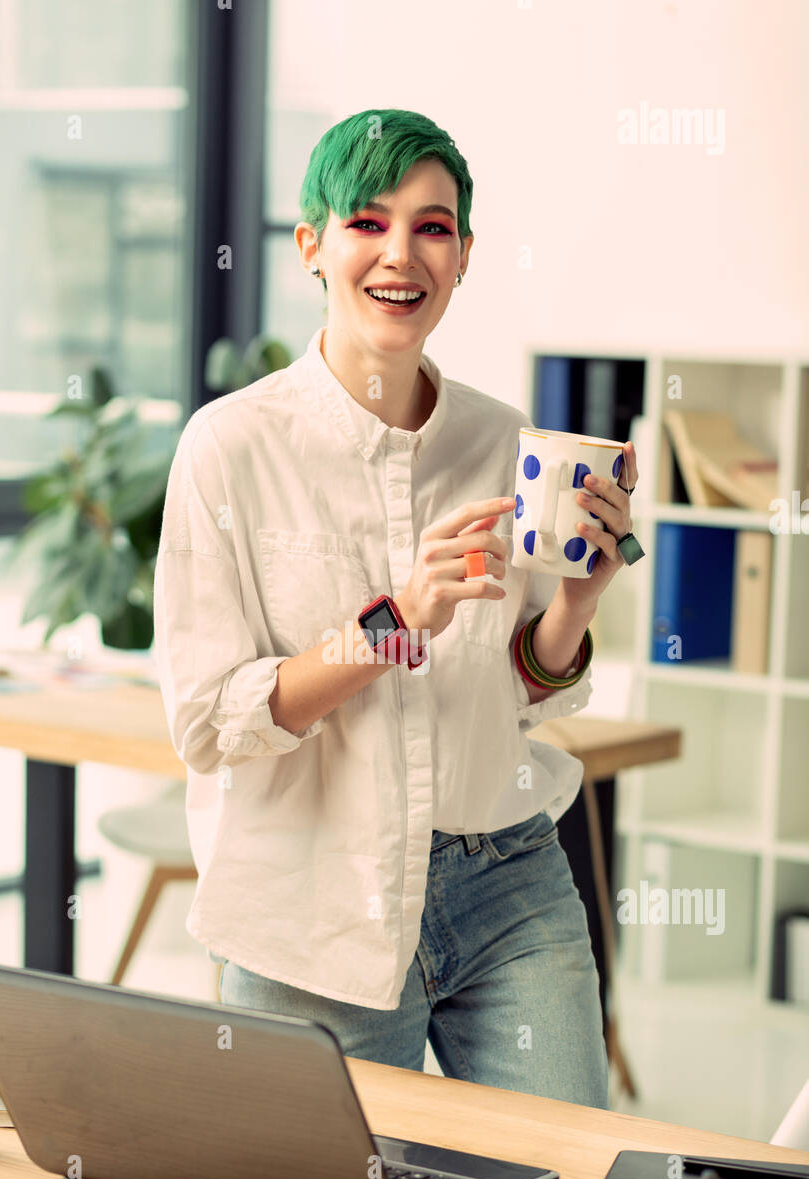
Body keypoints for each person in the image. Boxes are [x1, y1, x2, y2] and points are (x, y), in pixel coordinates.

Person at [153, 109, 639, 1109]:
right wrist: (395, 620)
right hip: (309, 898)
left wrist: (577, 604)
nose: (398, 254)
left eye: (430, 227)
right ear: (312, 246)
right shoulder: (229, 447)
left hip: (504, 876)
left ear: (461, 257)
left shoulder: (504, 440)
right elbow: (208, 723)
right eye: (367, 222)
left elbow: (522, 688)